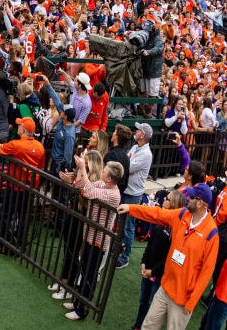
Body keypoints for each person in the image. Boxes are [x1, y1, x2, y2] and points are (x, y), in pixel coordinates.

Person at [118, 183, 219, 330]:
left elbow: (207, 272)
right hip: (165, 287)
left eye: (190, 197)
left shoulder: (211, 233)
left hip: (183, 298)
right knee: (148, 326)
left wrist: (192, 302)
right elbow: (157, 214)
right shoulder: (182, 214)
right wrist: (131, 208)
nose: (186, 199)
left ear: (200, 203)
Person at [59, 155, 123, 321]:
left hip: (99, 240)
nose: (101, 172)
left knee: (90, 275)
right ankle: (77, 301)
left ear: (109, 178)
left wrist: (82, 170)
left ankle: (82, 310)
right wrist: (78, 172)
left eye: (105, 171)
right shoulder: (103, 184)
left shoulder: (114, 195)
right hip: (89, 235)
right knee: (84, 269)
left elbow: (90, 191)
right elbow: (82, 186)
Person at [0, 117, 45, 254]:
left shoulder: (17, 144)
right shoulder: (39, 146)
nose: (18, 127)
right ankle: (19, 246)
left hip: (16, 187)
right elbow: (41, 167)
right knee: (23, 217)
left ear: (23, 129)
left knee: (6, 214)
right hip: (30, 188)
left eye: (19, 125)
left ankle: (6, 245)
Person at [132, 190, 183, 330]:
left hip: (158, 275)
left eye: (166, 198)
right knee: (143, 301)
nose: (163, 200)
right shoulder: (160, 223)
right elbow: (150, 245)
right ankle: (138, 325)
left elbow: (167, 258)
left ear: (173, 204)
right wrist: (143, 262)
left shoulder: (174, 230)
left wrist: (152, 271)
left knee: (151, 304)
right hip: (148, 270)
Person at [117, 122, 154, 269]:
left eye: (138, 130)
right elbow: (126, 163)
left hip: (133, 194)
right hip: (126, 189)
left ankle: (125, 257)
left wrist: (124, 164)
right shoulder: (134, 147)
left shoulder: (146, 154)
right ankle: (118, 250)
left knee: (128, 226)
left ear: (142, 135)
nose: (136, 131)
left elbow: (128, 167)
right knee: (121, 224)